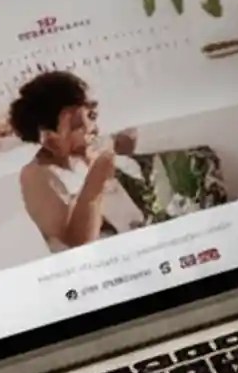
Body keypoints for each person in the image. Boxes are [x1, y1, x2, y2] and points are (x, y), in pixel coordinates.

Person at [9, 71, 145, 252]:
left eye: (93, 116)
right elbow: (78, 241)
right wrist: (98, 175)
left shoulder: (85, 155)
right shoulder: (37, 176)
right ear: (50, 138)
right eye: (77, 125)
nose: (92, 128)